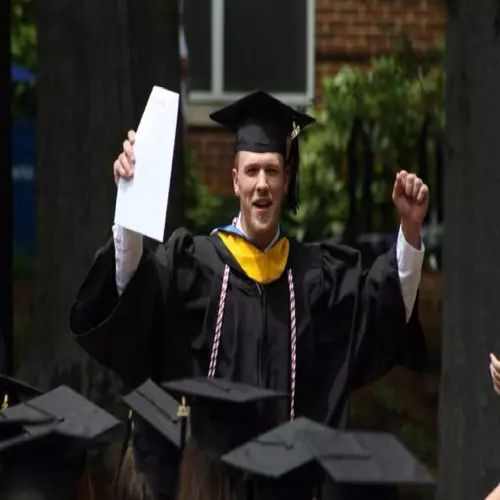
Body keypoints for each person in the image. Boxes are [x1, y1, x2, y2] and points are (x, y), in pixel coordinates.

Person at [69, 90, 429, 499]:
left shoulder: (316, 279)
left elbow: (382, 311)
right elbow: (132, 290)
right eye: (252, 171)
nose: (262, 184)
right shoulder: (195, 267)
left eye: (272, 171)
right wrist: (131, 205)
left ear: (286, 179)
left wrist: (411, 229)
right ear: (234, 179)